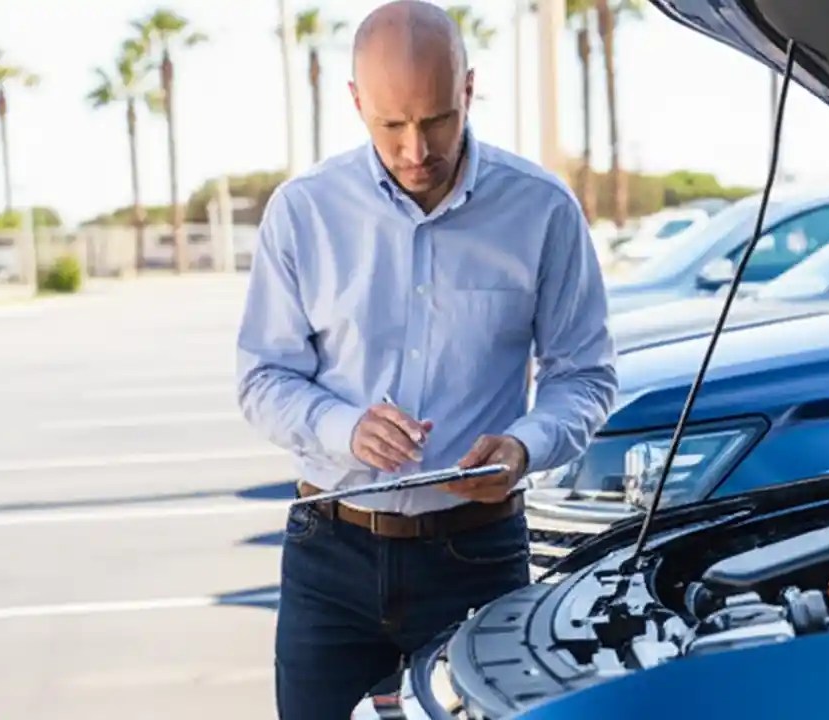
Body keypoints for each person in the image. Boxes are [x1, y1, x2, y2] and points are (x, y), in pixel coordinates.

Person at [234, 1, 617, 717]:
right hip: (329, 550)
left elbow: (584, 376)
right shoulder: (303, 213)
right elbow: (262, 377)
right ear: (356, 103)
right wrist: (343, 427)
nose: (416, 148)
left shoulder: (542, 211)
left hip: (475, 556)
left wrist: (524, 448)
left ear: (468, 90)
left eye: (437, 118)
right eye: (391, 125)